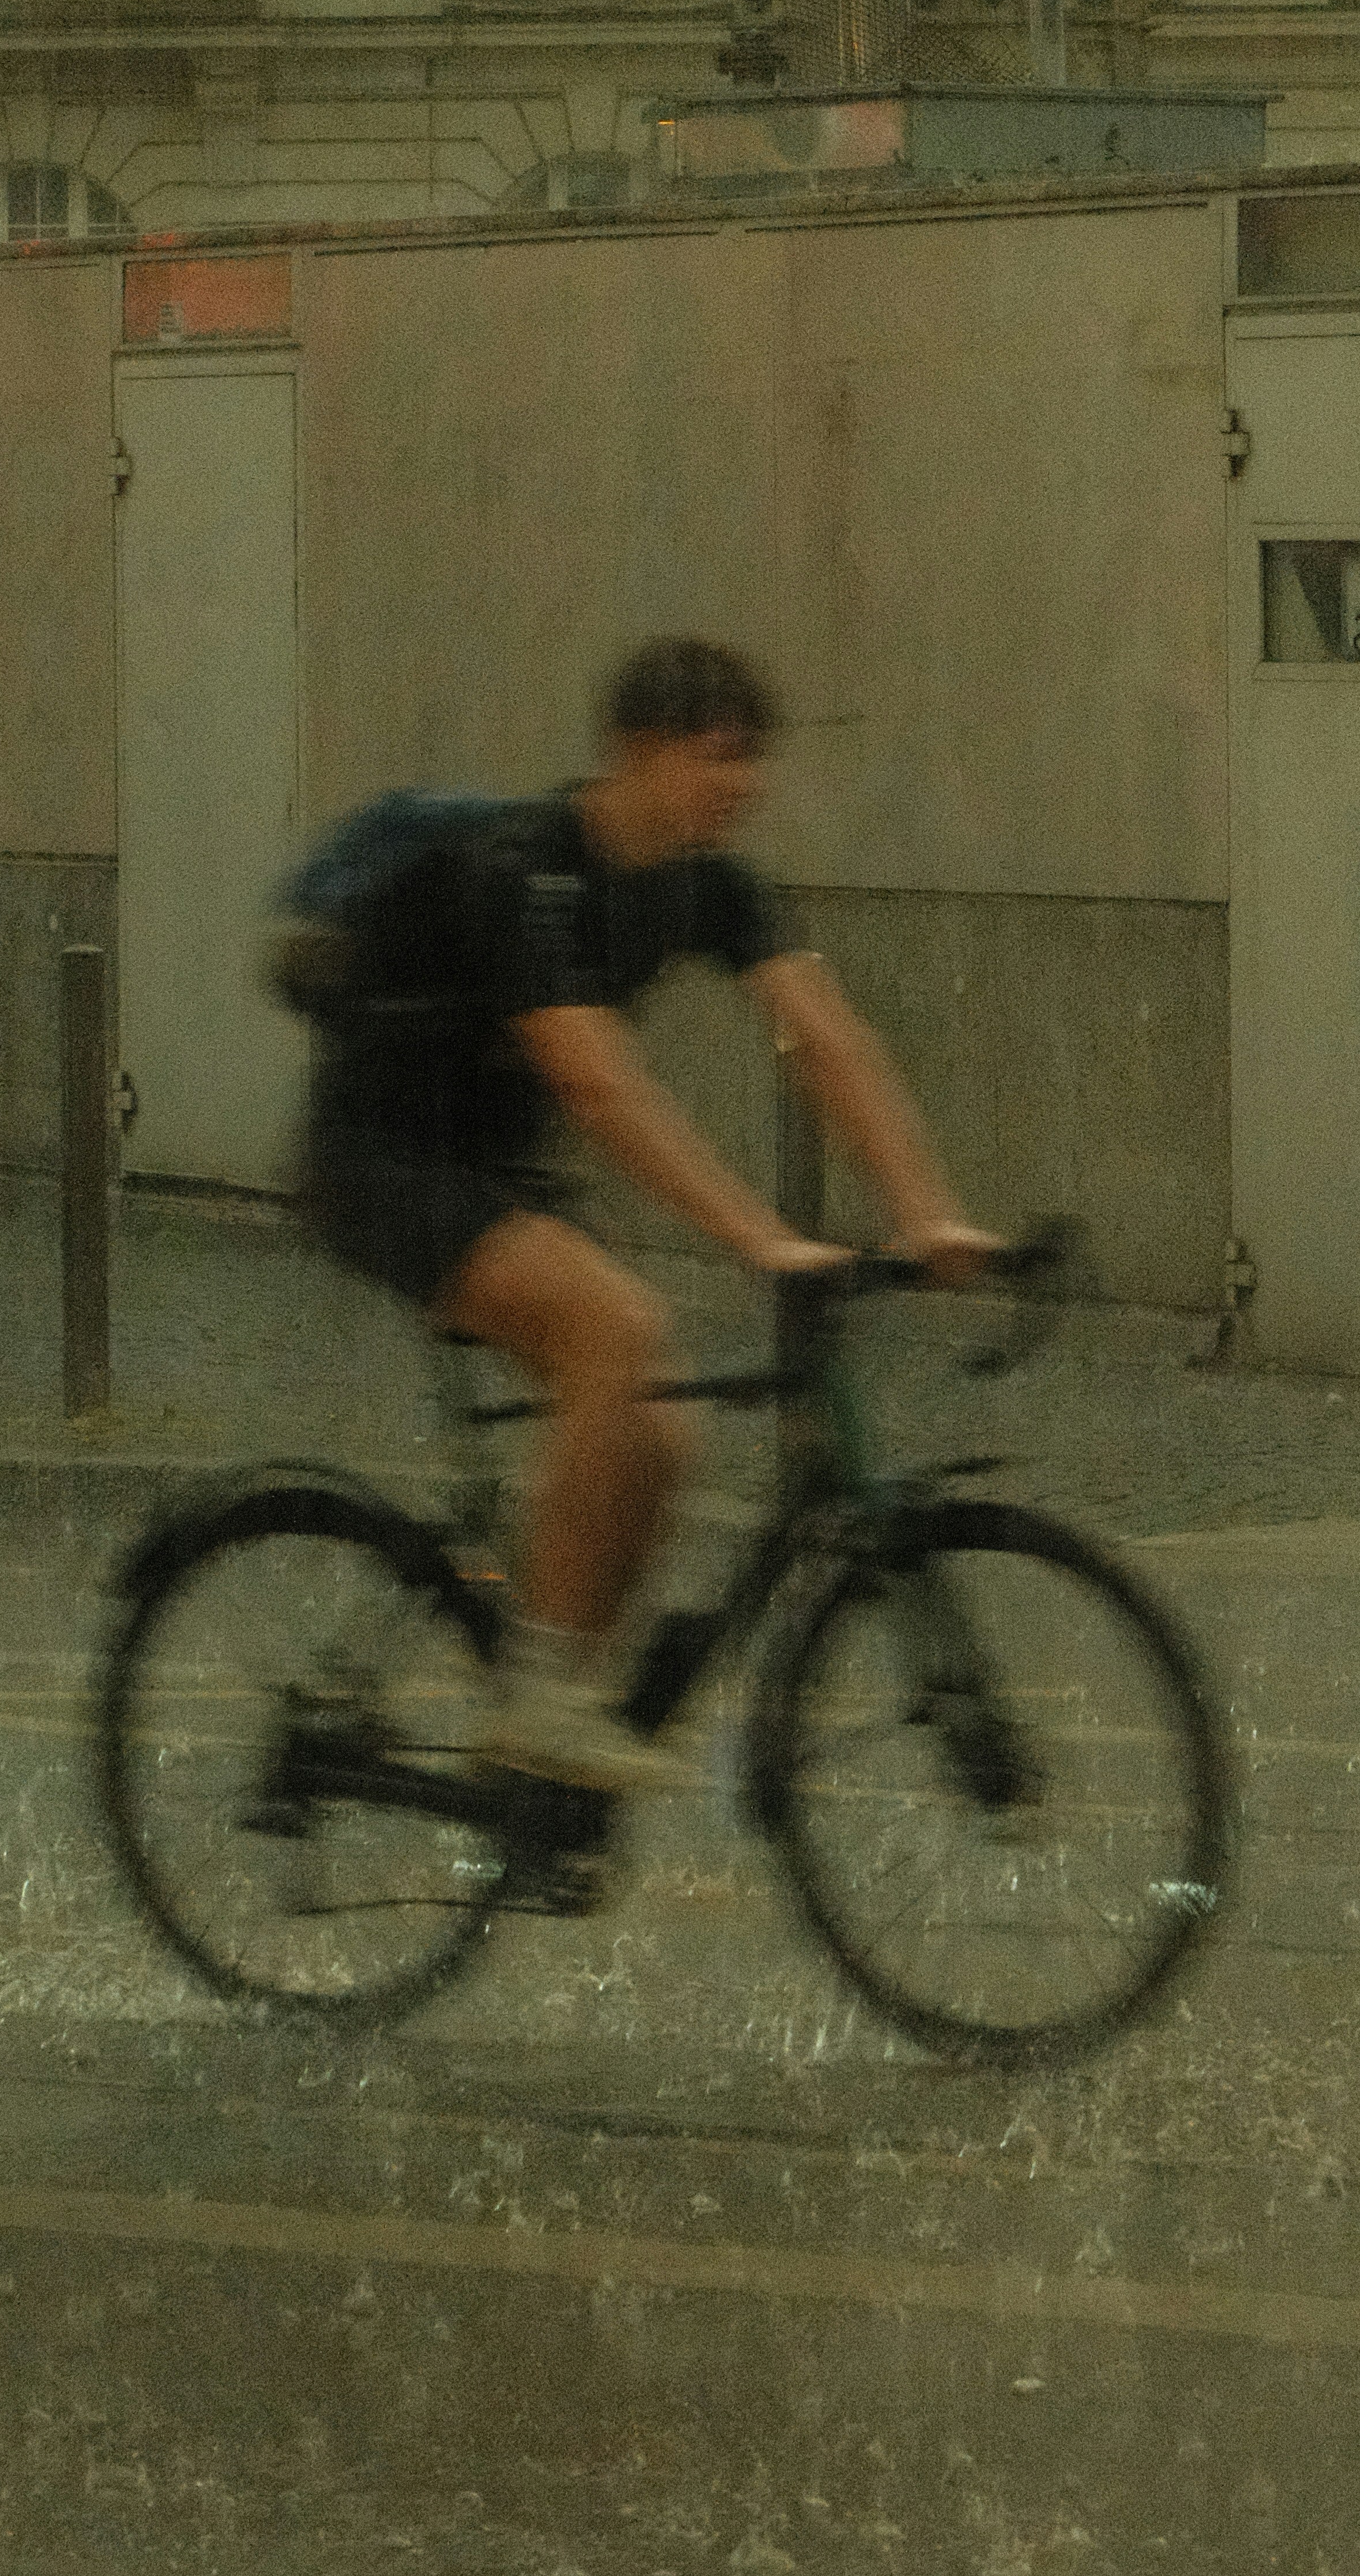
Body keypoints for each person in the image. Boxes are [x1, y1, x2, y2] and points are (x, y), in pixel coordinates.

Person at [295, 636, 997, 1798]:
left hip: (492, 1170)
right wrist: (758, 1238)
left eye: (753, 759)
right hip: (378, 1155)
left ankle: (556, 1715)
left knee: (662, 1432)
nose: (742, 783)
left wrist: (929, 1217)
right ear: (635, 750)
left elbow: (826, 1039)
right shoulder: (525, 872)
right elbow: (596, 1082)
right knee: (615, 1330)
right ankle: (535, 1705)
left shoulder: (709, 882)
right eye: (715, 755)